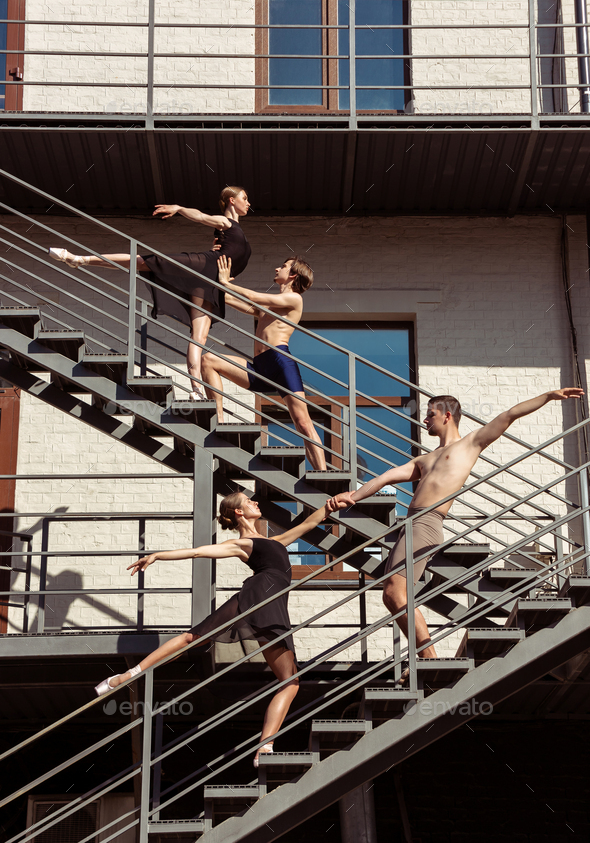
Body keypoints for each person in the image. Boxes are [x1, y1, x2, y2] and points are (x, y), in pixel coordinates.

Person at [326, 388, 584, 668]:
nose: (424, 420)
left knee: (394, 593)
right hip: (411, 523)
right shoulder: (425, 459)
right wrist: (352, 496)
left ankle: (427, 657)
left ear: (447, 416)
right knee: (393, 594)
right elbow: (387, 476)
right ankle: (426, 656)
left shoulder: (470, 443)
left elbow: (509, 415)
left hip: (426, 523)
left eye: (430, 415)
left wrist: (548, 396)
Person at [95, 491, 332, 766]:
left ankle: (264, 748)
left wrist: (330, 506)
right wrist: (158, 555)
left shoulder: (275, 541)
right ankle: (127, 676)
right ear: (240, 513)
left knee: (289, 682)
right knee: (192, 639)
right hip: (260, 595)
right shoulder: (243, 544)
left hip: (273, 603)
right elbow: (198, 552)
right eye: (249, 501)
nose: (256, 503)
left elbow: (307, 525)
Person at [47, 186, 252, 401]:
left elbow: (228, 256)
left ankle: (196, 390)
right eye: (244, 198)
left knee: (199, 337)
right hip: (202, 266)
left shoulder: (232, 232)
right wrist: (179, 208)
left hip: (211, 283)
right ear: (231, 200)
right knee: (145, 262)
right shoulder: (226, 223)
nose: (248, 203)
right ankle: (80, 259)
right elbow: (201, 217)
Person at [201, 255, 327, 471]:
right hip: (259, 366)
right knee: (208, 360)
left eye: (284, 266)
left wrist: (225, 284)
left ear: (293, 274)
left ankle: (322, 474)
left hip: (280, 363)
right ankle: (219, 422)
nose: (277, 267)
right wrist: (206, 287)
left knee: (303, 423)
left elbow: (253, 296)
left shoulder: (294, 299)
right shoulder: (270, 305)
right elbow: (239, 303)